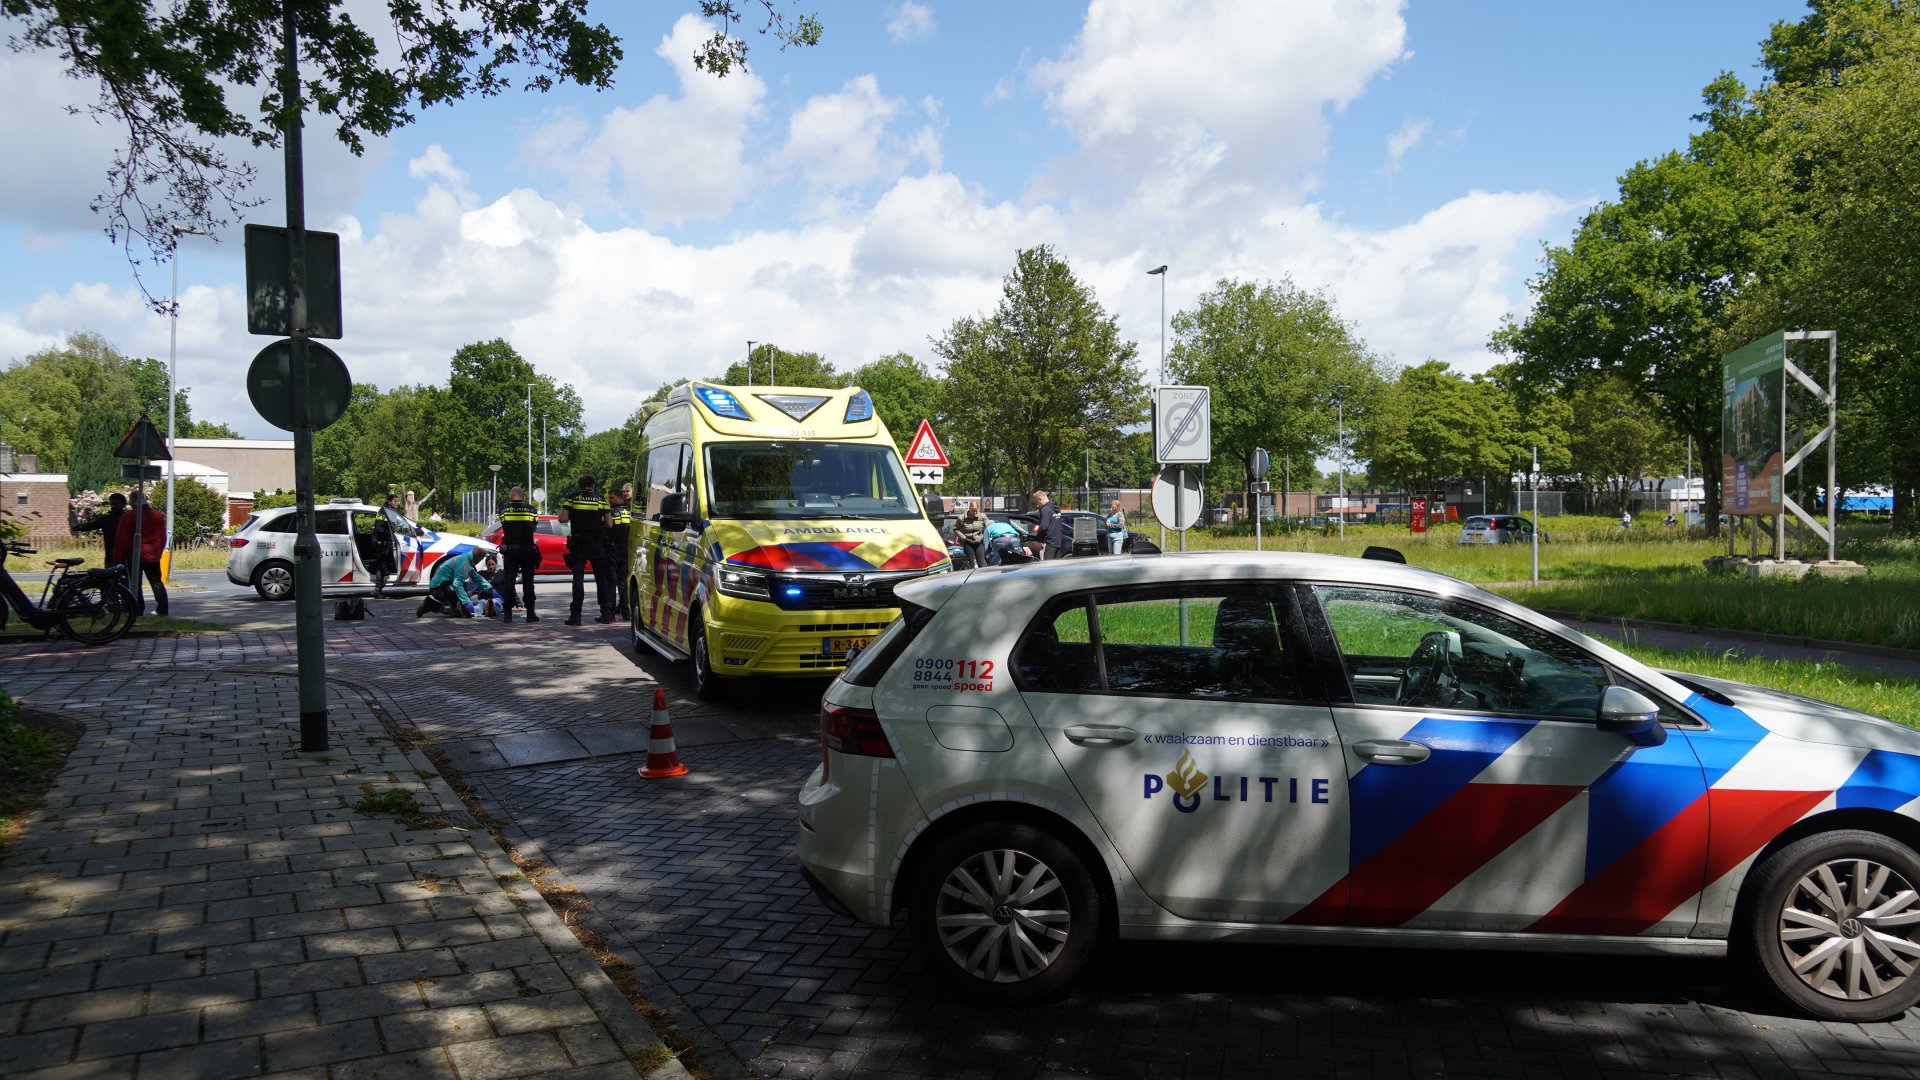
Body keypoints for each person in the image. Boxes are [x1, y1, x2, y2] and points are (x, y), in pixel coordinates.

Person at [558, 473, 613, 625]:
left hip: (579, 543)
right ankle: (606, 614)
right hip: (597, 543)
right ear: (593, 485)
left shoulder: (572, 498)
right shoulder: (601, 499)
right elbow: (609, 524)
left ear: (579, 485)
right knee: (601, 579)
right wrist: (597, 522)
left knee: (578, 579)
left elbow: (562, 519)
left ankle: (576, 616)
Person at [113, 492, 168, 616]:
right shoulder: (157, 515)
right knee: (156, 582)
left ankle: (138, 609)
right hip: (153, 554)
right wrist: (158, 551)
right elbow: (163, 537)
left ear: (132, 501)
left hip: (134, 554)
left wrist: (117, 559)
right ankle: (163, 608)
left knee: (135, 584)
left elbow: (122, 539)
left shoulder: (129, 516)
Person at [496, 486, 540, 623]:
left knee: (509, 581)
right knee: (528, 582)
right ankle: (530, 613)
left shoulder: (503, 510)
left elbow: (504, 524)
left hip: (510, 549)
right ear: (523, 495)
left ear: (510, 495)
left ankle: (507, 614)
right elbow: (534, 526)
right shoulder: (532, 510)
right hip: (527, 548)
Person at [416, 547, 491, 618]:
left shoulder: (466, 559)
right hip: (438, 588)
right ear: (479, 558)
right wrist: (466, 602)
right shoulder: (464, 563)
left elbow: (476, 576)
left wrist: (489, 587)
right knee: (464, 591)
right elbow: (457, 584)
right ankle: (431, 605)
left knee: (457, 609)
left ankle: (448, 607)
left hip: (441, 586)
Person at [74, 492, 128, 567]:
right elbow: (92, 525)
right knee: (110, 577)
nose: (113, 506)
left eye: (116, 504)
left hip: (126, 556)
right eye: (112, 504)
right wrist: (80, 527)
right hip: (110, 556)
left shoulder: (128, 518)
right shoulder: (106, 519)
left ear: (123, 504)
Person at [369, 493, 400, 596]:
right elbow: (380, 528)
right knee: (381, 565)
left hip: (384, 541)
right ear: (389, 501)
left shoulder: (389, 510)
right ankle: (377, 589)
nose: (397, 503)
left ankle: (379, 586)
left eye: (398, 501)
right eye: (395, 501)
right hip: (380, 542)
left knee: (385, 564)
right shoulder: (384, 511)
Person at [953, 502, 986, 569]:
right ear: (969, 509)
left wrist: (984, 536)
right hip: (968, 542)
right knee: (971, 564)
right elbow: (956, 529)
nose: (975, 513)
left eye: (976, 511)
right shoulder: (962, 518)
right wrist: (963, 537)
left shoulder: (982, 516)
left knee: (982, 564)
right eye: (973, 511)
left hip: (978, 542)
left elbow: (989, 525)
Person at [1033, 489, 1064, 560]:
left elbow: (1043, 527)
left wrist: (1038, 539)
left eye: (1037, 503)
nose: (1038, 505)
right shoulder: (1057, 509)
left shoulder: (1045, 510)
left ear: (1040, 499)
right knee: (1056, 567)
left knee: (1047, 567)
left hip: (1049, 544)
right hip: (1058, 542)